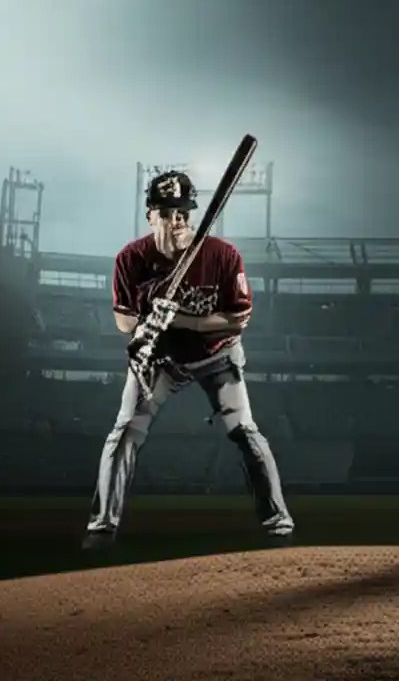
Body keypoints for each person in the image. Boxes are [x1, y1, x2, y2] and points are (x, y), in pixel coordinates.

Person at [81, 170, 295, 551]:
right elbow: (123, 320)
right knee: (126, 429)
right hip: (160, 358)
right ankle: (102, 526)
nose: (176, 220)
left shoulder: (222, 255)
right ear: (150, 215)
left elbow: (238, 318)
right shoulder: (131, 259)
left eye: (183, 212)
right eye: (166, 212)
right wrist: (149, 320)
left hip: (217, 355)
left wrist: (181, 319)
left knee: (244, 430)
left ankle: (278, 521)